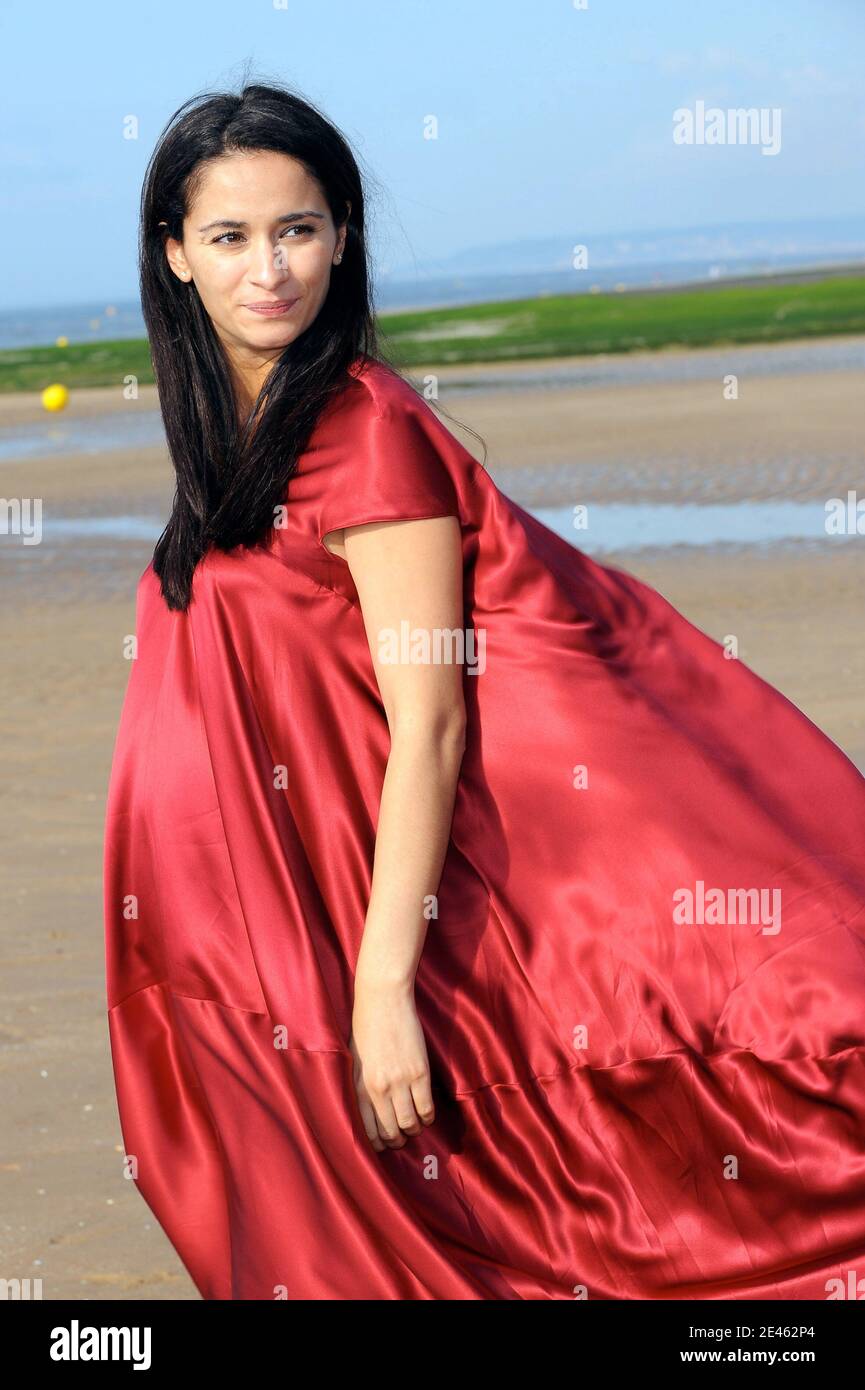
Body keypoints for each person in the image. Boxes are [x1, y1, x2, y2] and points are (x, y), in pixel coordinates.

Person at [103, 80, 865, 1301]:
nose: (270, 269)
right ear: (175, 255)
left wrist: (383, 989)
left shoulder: (359, 431)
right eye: (231, 236)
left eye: (298, 229)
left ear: (343, 234)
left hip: (362, 927)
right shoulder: (231, 446)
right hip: (277, 916)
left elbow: (434, 719)